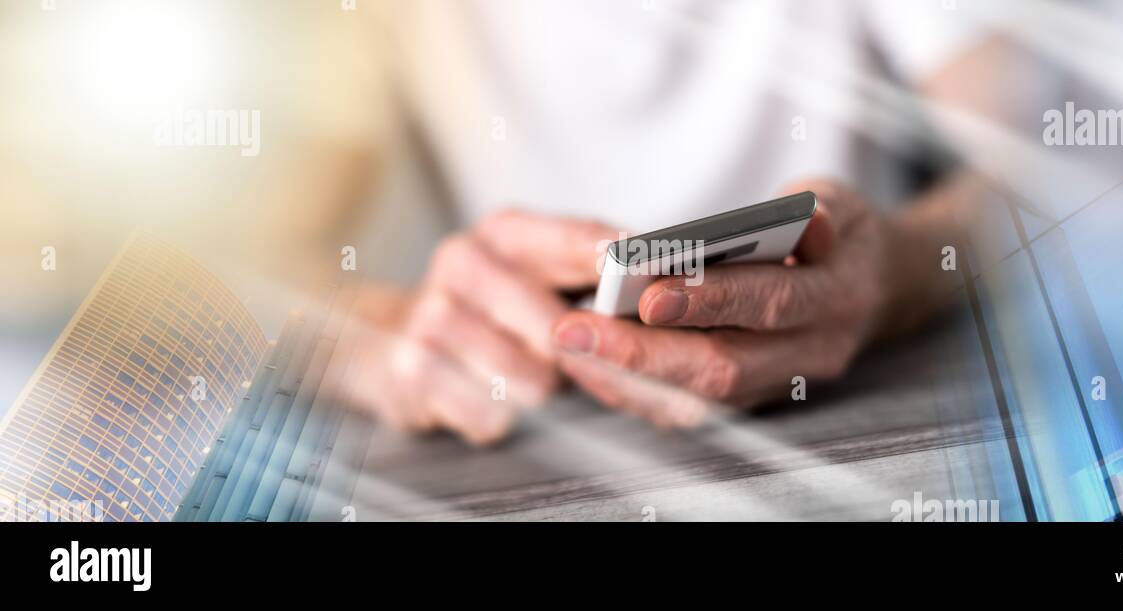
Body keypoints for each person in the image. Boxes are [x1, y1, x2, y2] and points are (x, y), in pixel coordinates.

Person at [339, 1, 1026, 445]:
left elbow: (1051, 178)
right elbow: (259, 257)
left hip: (873, 394)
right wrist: (361, 331)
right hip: (542, 429)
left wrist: (898, 270)